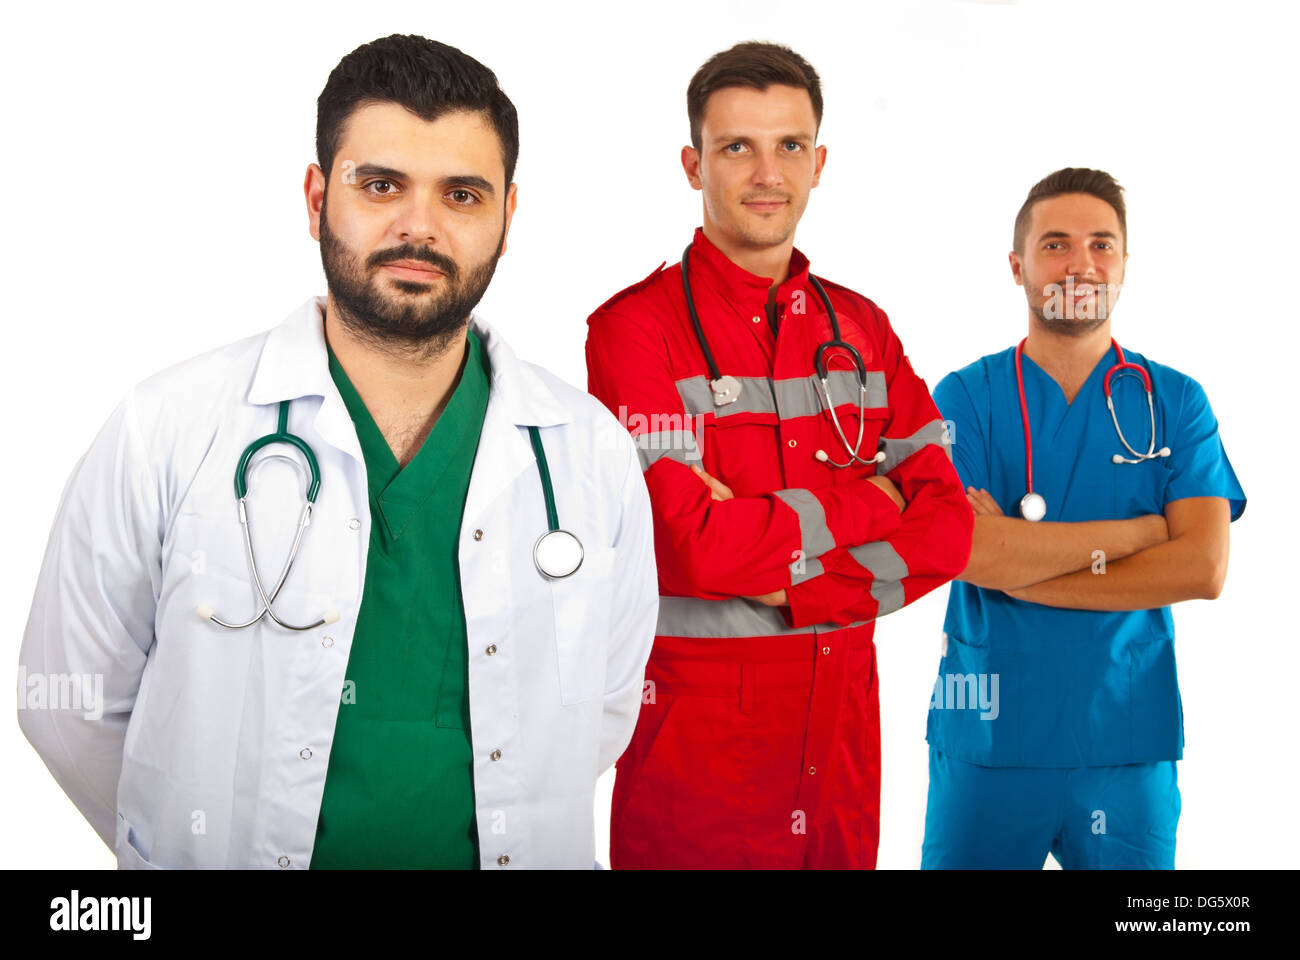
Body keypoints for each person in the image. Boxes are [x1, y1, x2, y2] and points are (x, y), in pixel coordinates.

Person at [17, 33, 657, 870]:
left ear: (507, 217)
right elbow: (69, 708)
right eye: (381, 184)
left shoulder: (588, 454)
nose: (419, 227)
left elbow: (603, 711)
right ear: (317, 197)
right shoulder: (167, 427)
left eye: (462, 194)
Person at [584, 41, 973, 868]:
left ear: (820, 161)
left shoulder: (863, 330)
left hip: (837, 758)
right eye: (737, 148)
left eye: (789, 145)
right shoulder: (632, 332)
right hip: (695, 775)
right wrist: (873, 502)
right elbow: (690, 543)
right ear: (693, 165)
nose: (768, 173)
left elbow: (948, 531)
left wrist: (781, 576)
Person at [922, 167, 1246, 869]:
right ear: (1018, 266)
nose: (1082, 263)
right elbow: (966, 552)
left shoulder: (1176, 402)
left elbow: (1204, 567)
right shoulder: (964, 399)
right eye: (1056, 244)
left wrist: (1022, 567)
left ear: (1125, 263)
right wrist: (1145, 533)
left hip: (1126, 744)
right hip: (987, 745)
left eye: (1102, 244)